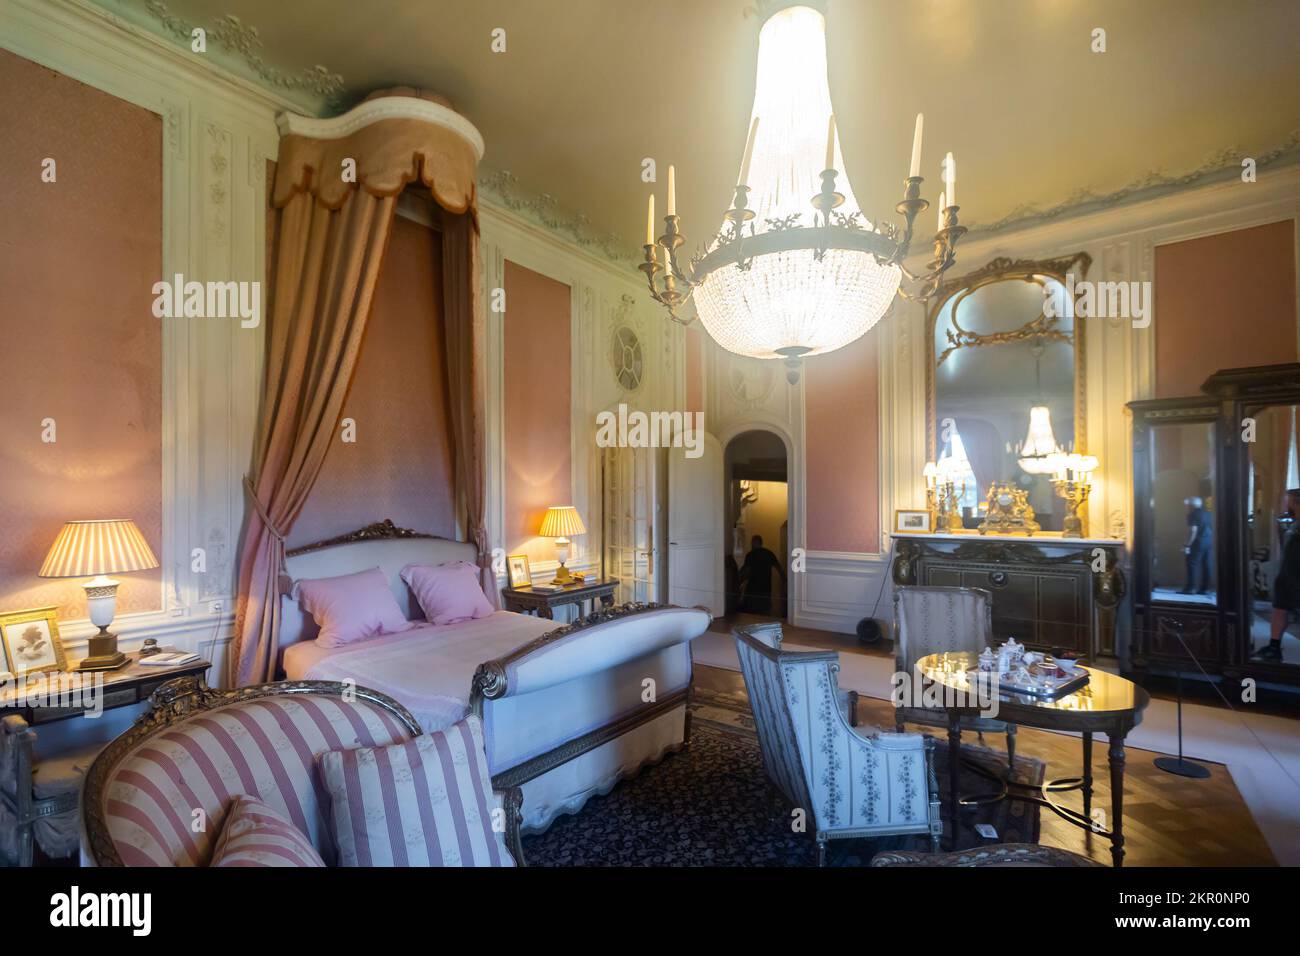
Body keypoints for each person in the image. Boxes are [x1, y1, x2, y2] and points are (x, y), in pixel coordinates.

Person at [1259, 488, 1300, 662]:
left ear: (1295, 502)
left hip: (1296, 577)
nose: (1285, 504)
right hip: (1286, 575)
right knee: (1279, 609)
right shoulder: (1293, 523)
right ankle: (1274, 647)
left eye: (1287, 500)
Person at [739, 534, 785, 617]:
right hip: (765, 588)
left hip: (753, 588)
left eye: (752, 542)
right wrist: (785, 581)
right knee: (764, 611)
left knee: (750, 612)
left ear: (754, 542)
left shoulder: (750, 555)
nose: (751, 544)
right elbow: (779, 568)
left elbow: (746, 571)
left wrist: (739, 581)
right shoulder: (769, 553)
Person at [1180, 496, 1213, 595]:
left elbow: (1193, 531)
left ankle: (1191, 588)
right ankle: (1205, 589)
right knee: (1207, 564)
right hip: (1209, 540)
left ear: (1191, 505)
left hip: (1198, 541)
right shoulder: (1208, 514)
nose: (1186, 507)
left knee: (1192, 564)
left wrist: (1187, 544)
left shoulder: (1192, 514)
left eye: (1187, 505)